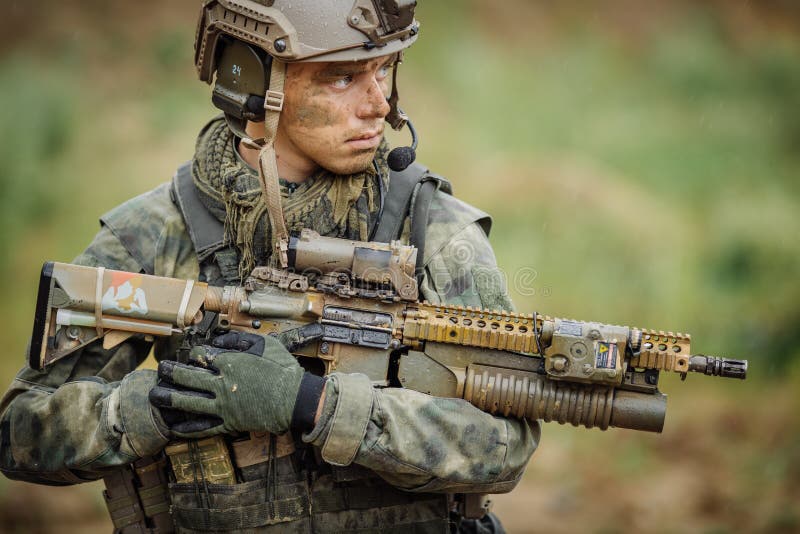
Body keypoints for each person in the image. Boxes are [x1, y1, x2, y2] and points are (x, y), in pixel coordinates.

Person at [0, 1, 539, 532]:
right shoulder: (155, 233)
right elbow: (20, 430)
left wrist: (315, 406)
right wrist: (157, 407)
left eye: (382, 72)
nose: (378, 104)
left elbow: (505, 446)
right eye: (342, 78)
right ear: (254, 85)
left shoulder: (436, 231)